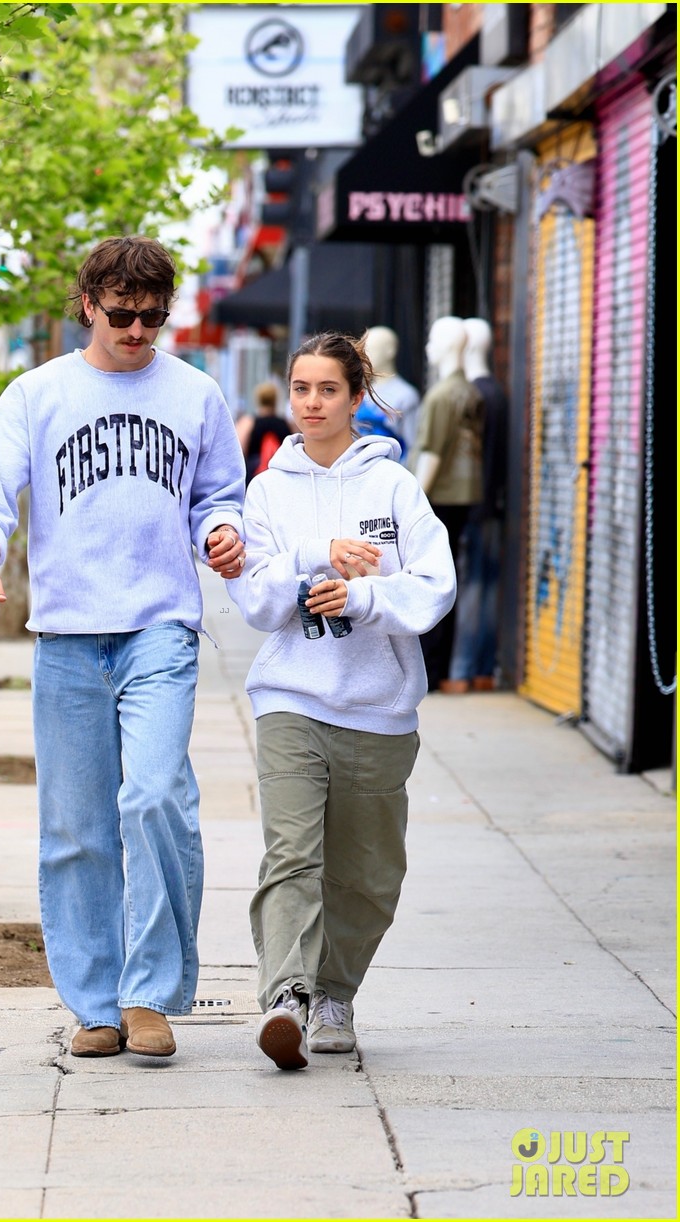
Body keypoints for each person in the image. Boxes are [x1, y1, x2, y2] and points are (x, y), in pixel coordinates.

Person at [0, 235, 246, 1060]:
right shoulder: (37, 394)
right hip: (68, 636)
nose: (137, 330)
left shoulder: (195, 394)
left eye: (153, 316)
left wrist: (223, 532)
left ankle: (149, 994)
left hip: (159, 627)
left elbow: (220, 495)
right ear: (88, 305)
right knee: (77, 829)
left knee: (152, 797)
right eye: (122, 315)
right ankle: (95, 1005)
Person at [227, 332, 456, 1070]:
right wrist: (313, 562)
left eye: (328, 389)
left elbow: (435, 587)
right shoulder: (267, 490)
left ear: (357, 397)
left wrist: (361, 597)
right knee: (291, 855)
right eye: (301, 388)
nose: (312, 403)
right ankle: (287, 998)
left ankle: (334, 994)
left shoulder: (393, 487)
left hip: (378, 707)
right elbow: (256, 599)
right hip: (291, 697)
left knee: (367, 875)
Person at [407, 316, 483, 691]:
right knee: (448, 578)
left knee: (431, 581)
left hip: (438, 499)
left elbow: (432, 453)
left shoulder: (441, 396)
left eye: (433, 340)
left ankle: (431, 668)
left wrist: (413, 502)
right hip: (461, 497)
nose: (427, 348)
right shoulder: (468, 391)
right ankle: (438, 667)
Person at [446, 318, 509, 692]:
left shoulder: (472, 396)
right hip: (493, 505)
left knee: (469, 588)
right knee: (485, 589)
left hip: (472, 507)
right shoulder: (496, 393)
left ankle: (461, 670)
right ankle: (481, 669)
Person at [357, 326, 421, 457]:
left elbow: (412, 445)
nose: (365, 356)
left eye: (371, 350)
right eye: (363, 351)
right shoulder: (361, 392)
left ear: (389, 351)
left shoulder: (405, 395)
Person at [236, 380, 291, 483]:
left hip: (253, 477)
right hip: (280, 478)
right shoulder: (286, 424)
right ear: (275, 400)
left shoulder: (248, 423)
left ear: (258, 399)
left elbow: (238, 451)